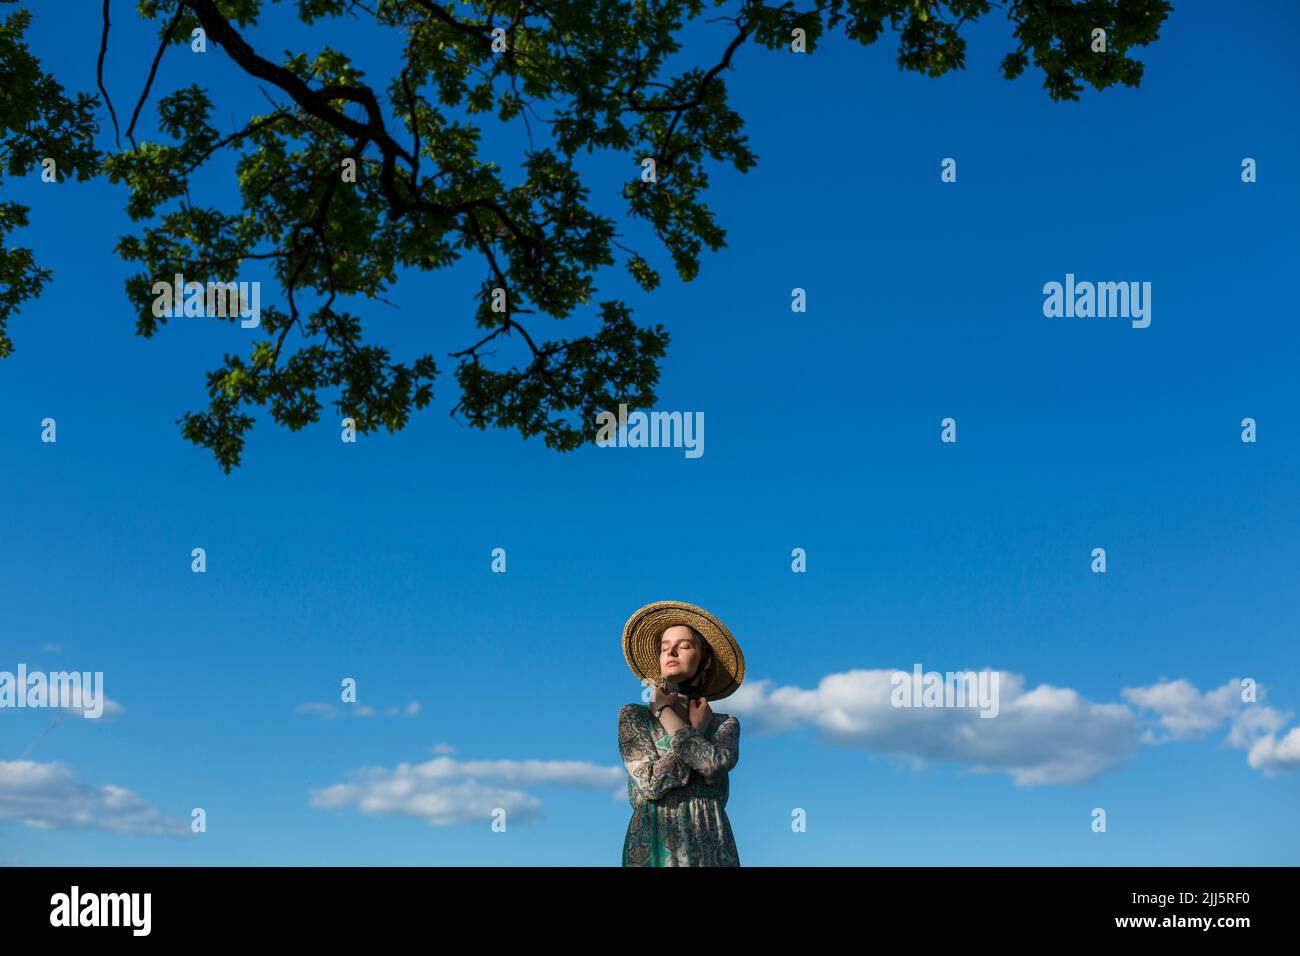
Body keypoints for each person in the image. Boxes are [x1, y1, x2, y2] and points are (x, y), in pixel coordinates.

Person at [618, 600, 745, 866]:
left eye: (684, 646)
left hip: (711, 841)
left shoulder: (724, 724)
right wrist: (689, 730)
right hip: (654, 842)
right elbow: (651, 784)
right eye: (664, 647)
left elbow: (712, 765)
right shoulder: (635, 716)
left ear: (706, 660)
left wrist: (674, 720)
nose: (671, 652)